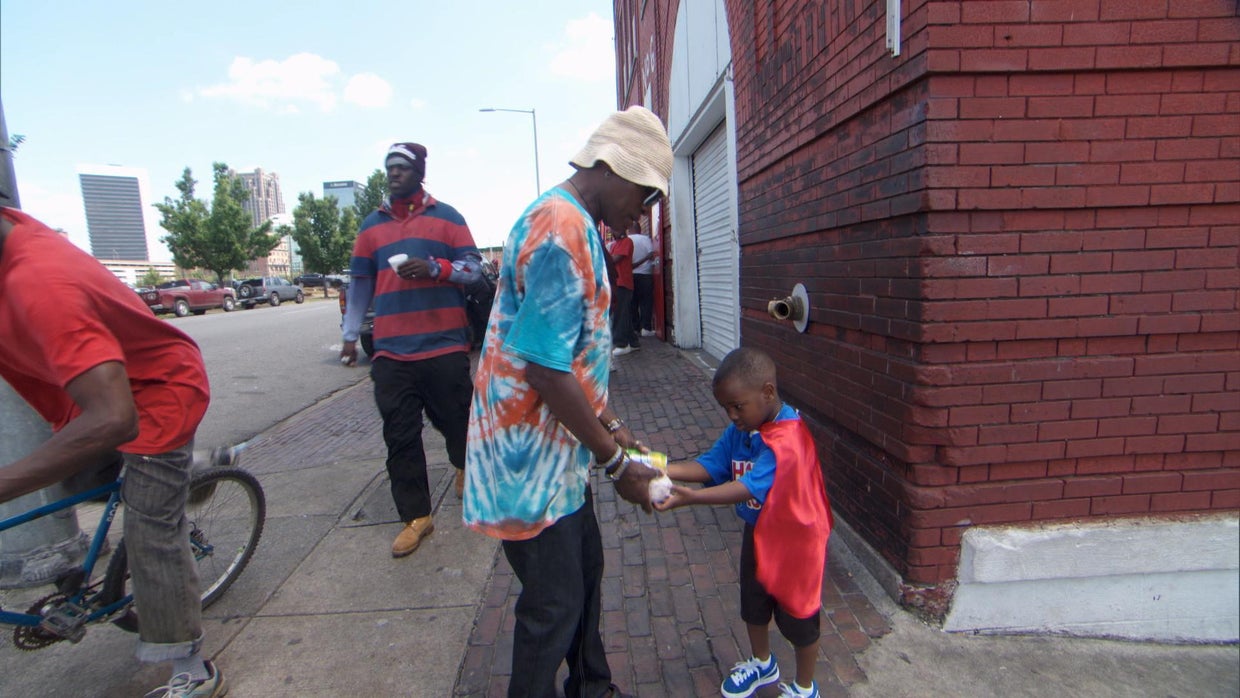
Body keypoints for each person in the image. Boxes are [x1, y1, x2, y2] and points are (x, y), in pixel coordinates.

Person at [463, 105, 672, 698]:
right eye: (645, 195)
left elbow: (570, 354)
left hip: (556, 454)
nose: (644, 213)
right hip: (529, 459)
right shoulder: (560, 228)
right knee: (553, 606)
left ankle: (593, 688)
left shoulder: (577, 223)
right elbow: (546, 370)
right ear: (611, 167)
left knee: (584, 574)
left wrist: (609, 422)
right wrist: (615, 462)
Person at [0, 204, 225, 697]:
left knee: (150, 535)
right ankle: (187, 475)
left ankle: (192, 668)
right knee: (74, 480)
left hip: (155, 392)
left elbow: (114, 419)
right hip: (93, 392)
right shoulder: (12, 232)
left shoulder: (40, 282)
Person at [654, 347, 832, 698]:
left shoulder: (788, 439)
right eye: (726, 408)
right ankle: (762, 664)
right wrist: (660, 467)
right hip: (760, 529)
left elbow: (746, 487)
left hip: (797, 542)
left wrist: (692, 498)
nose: (732, 415)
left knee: (799, 617)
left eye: (738, 406)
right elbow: (711, 464)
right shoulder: (744, 428)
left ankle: (805, 687)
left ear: (767, 392)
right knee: (753, 602)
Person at [340, 142, 485, 558]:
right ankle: (416, 516)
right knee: (400, 436)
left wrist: (435, 268)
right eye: (389, 167)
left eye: (402, 167)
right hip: (391, 352)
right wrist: (350, 334)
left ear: (420, 172)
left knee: (457, 423)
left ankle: (463, 464)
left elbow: (474, 270)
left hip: (443, 347)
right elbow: (360, 283)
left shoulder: (448, 218)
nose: (394, 173)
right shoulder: (371, 226)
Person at [606, 224, 637, 356]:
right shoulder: (615, 244)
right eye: (613, 229)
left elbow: (614, 259)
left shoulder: (627, 241)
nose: (613, 231)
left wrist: (603, 257)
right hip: (617, 283)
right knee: (624, 314)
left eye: (615, 229)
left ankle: (622, 343)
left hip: (623, 283)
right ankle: (633, 342)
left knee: (620, 314)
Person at [628, 226, 655, 338]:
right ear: (640, 230)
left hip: (630, 275)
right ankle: (646, 328)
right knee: (646, 302)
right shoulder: (645, 239)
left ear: (629, 230)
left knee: (632, 302)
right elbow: (652, 255)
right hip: (645, 274)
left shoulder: (627, 240)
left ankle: (635, 328)